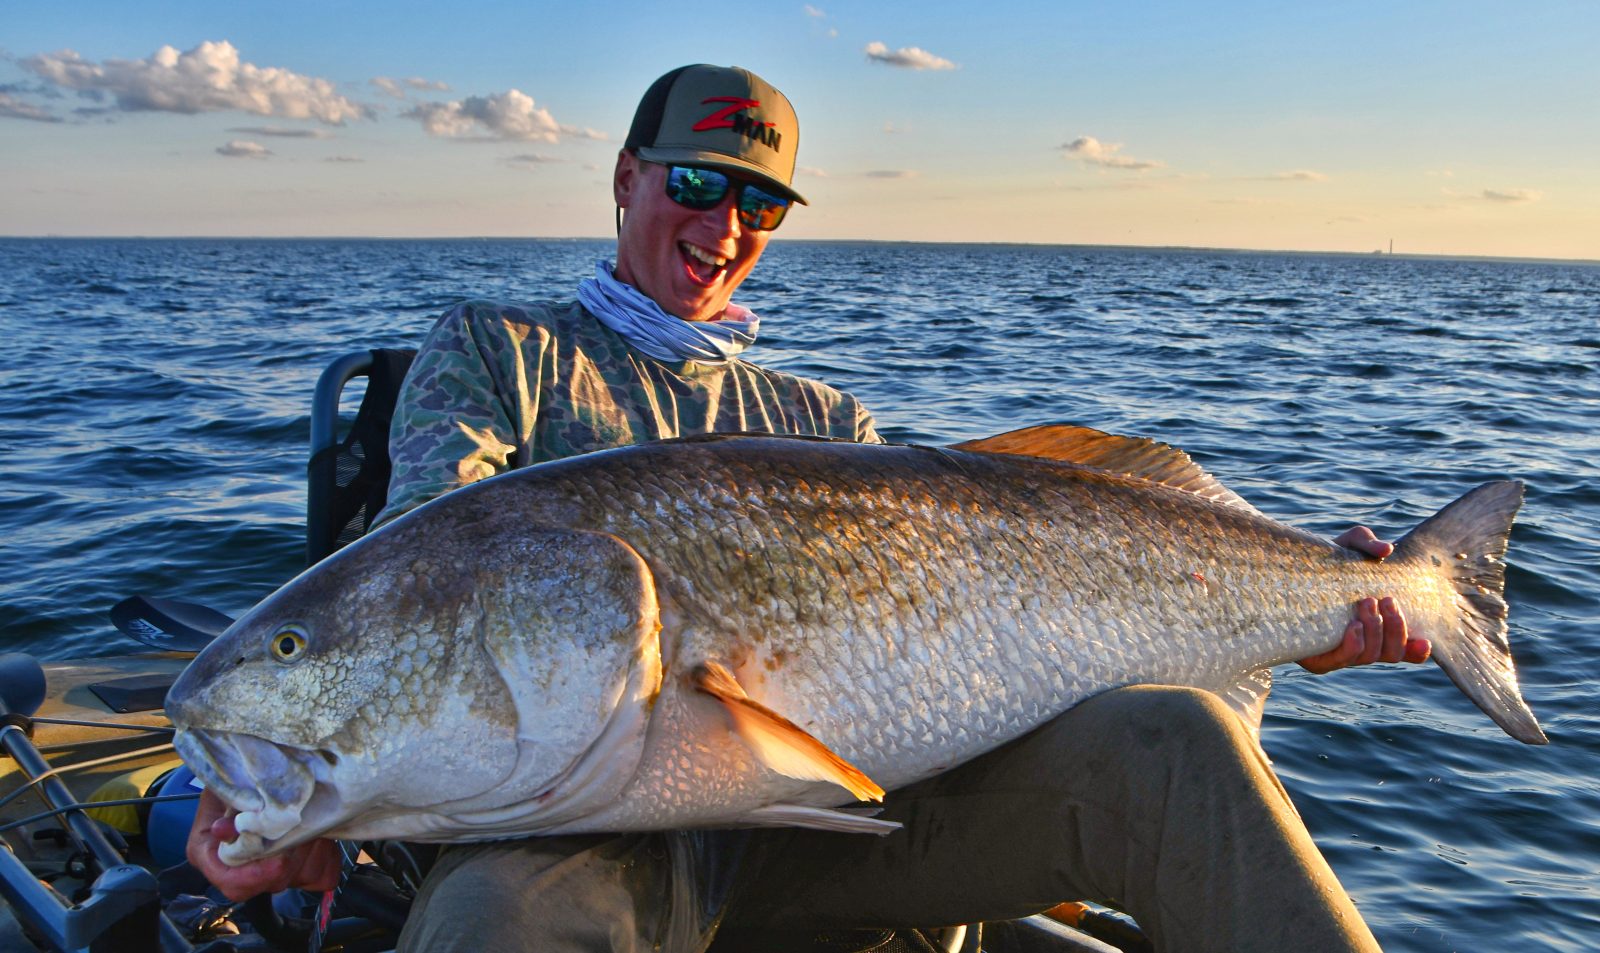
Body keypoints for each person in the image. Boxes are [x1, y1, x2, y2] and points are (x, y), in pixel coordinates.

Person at [187, 64, 1427, 952]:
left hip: (844, 813)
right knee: (500, 921)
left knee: (1178, 747)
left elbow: (983, 643)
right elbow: (426, 588)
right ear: (624, 177)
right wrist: (294, 796)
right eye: (693, 180)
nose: (723, 225)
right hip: (579, 819)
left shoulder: (822, 420)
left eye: (760, 202)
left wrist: (1309, 607)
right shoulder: (498, 352)